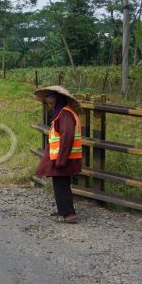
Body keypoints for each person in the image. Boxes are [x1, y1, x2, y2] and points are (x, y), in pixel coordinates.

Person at [34, 85, 82, 223]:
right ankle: (63, 210)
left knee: (61, 184)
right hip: (63, 156)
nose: (47, 100)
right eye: (47, 97)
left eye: (50, 97)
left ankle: (69, 214)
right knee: (60, 183)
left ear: (58, 98)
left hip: (64, 157)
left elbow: (67, 136)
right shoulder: (61, 112)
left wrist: (61, 159)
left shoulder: (65, 113)